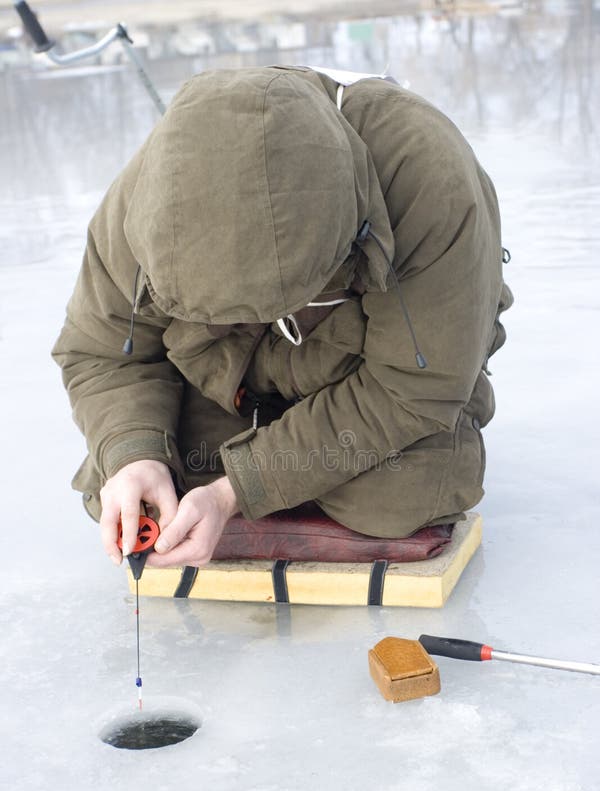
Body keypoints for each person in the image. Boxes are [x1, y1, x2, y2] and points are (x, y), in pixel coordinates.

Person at [52, 65, 513, 570]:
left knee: (405, 491)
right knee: (127, 491)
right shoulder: (147, 199)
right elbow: (101, 352)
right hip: (227, 385)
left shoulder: (429, 177)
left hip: (366, 383)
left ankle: (275, 470)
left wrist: (235, 491)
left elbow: (413, 387)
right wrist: (135, 455)